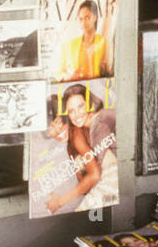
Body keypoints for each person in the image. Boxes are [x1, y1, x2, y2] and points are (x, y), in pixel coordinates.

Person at [44, 83, 117, 213]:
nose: (57, 131)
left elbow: (96, 174)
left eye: (59, 123)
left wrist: (60, 202)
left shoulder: (76, 133)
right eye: (51, 129)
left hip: (113, 178)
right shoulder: (76, 137)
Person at [55, 0, 113, 81]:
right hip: (76, 88)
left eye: (87, 18)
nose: (83, 23)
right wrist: (69, 77)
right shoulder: (70, 45)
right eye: (81, 19)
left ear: (95, 18)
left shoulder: (103, 42)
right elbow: (58, 73)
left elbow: (110, 70)